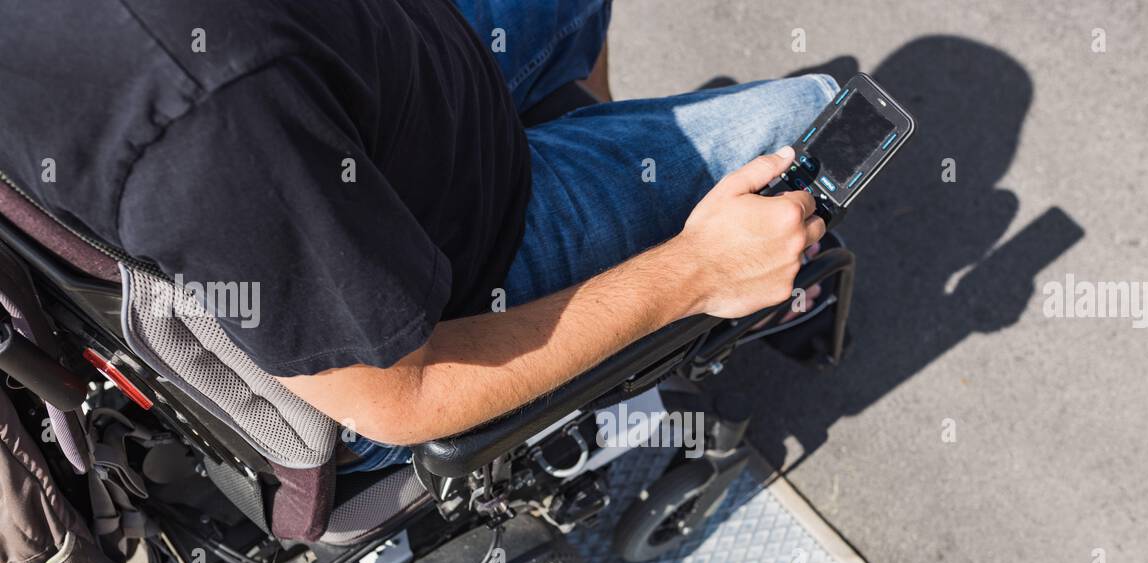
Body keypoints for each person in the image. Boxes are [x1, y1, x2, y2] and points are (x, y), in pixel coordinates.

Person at [0, 0, 836, 471]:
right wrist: (693, 272)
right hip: (450, 286)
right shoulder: (208, 114)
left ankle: (605, 169)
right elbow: (401, 397)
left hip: (374, 106)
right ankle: (617, 292)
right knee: (820, 119)